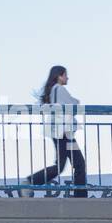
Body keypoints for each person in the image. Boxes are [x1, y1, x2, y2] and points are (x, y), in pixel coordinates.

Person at [26, 65, 87, 197]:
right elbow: (72, 106)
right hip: (63, 132)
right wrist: (76, 102)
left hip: (62, 132)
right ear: (59, 76)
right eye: (65, 75)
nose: (67, 77)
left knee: (75, 164)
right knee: (73, 165)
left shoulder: (54, 90)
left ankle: (30, 181)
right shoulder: (59, 89)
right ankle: (30, 181)